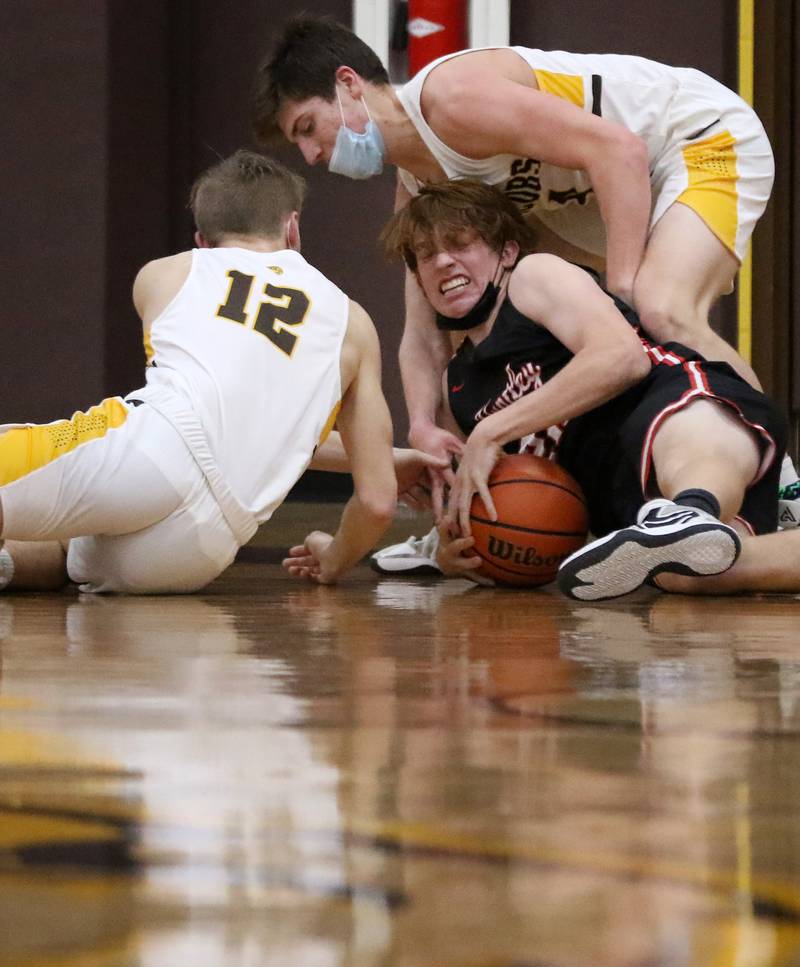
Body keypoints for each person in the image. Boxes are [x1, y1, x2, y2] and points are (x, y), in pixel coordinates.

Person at [252, 16, 800, 525]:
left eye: (308, 127)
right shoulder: (419, 184)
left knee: (661, 308)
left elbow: (620, 152)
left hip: (693, 137)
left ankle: (784, 487)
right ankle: (468, 512)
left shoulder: (452, 100)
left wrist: (624, 285)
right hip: (603, 190)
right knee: (471, 327)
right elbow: (422, 331)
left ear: (349, 83)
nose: (311, 154)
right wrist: (420, 425)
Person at [0, 151, 442, 594]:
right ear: (293, 227)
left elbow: (202, 424)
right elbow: (377, 501)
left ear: (201, 240)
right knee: (67, 547)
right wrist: (335, 555)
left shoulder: (166, 273)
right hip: (201, 549)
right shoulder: (353, 323)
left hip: (157, 455)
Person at [377, 179, 799, 601]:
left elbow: (622, 357)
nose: (443, 261)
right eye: (427, 255)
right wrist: (460, 551)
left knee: (682, 434)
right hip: (628, 499)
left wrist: (493, 430)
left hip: (686, 407)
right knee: (688, 572)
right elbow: (488, 500)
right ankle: (682, 533)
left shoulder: (531, 278)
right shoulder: (457, 387)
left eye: (460, 244)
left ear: (506, 252)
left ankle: (692, 512)